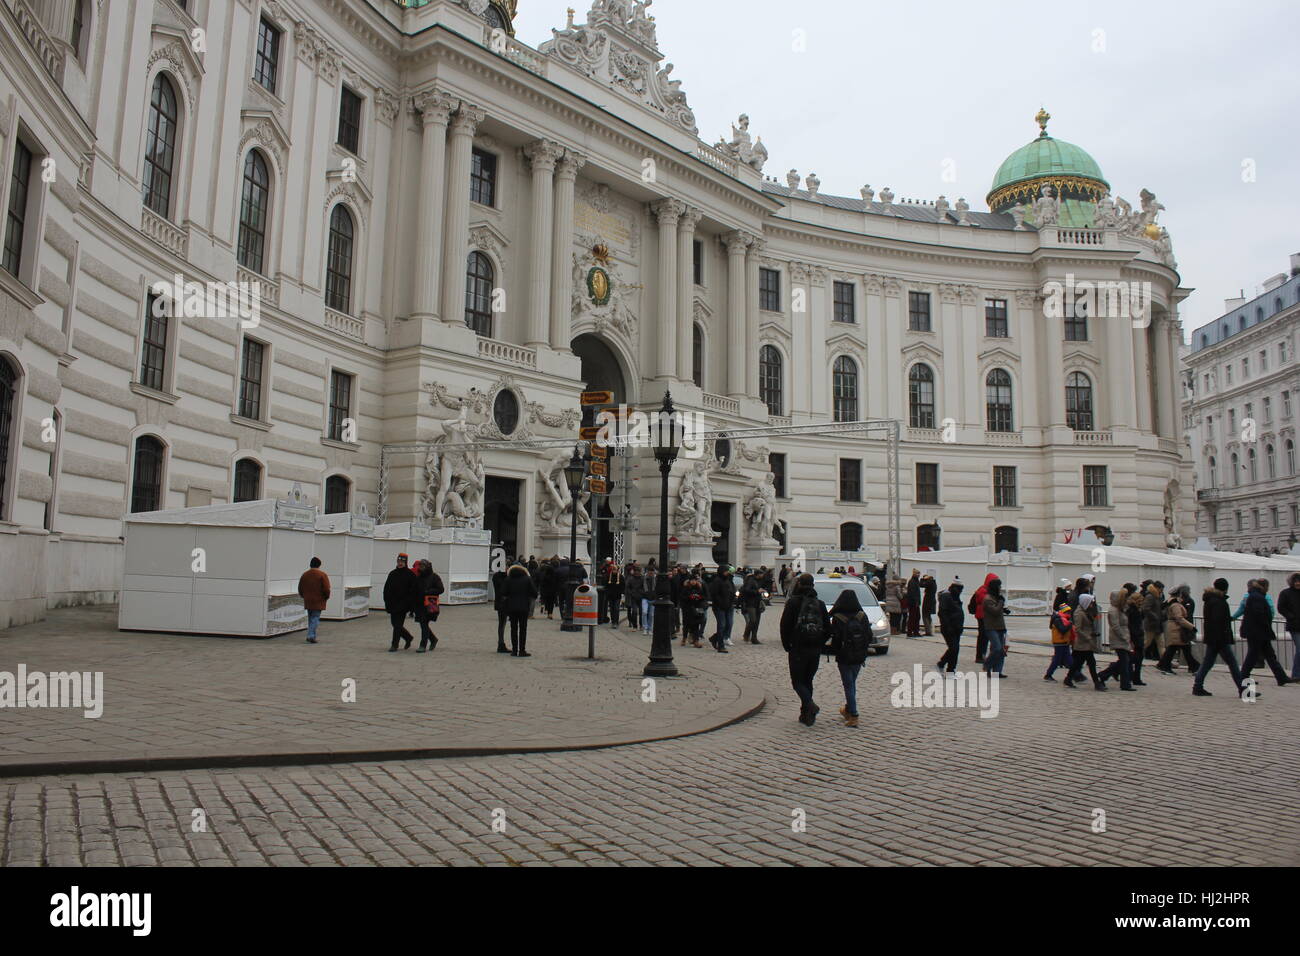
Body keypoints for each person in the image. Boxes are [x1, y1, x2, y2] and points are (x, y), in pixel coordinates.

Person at [780, 573, 830, 725]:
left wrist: (787, 644)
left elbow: (785, 625)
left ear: (799, 584)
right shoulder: (819, 603)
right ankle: (806, 715)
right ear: (813, 585)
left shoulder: (793, 602)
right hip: (815, 649)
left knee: (797, 682)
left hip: (798, 648)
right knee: (808, 680)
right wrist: (820, 642)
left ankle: (810, 705)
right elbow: (828, 628)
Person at [1193, 578, 1248, 698]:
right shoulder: (1219, 601)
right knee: (1232, 663)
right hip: (1220, 637)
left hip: (1213, 637)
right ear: (1225, 588)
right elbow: (1218, 620)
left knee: (1208, 663)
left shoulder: (1210, 599)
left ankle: (1197, 686)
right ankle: (1242, 689)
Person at [828, 589, 871, 727]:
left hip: (844, 656)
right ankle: (847, 709)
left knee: (849, 685)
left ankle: (853, 714)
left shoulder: (838, 617)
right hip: (859, 656)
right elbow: (868, 636)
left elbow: (836, 638)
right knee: (851, 683)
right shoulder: (862, 616)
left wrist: (834, 650)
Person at [1237, 579, 1292, 687]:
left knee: (1268, 655)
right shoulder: (1257, 597)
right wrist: (1267, 627)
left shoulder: (1254, 596)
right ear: (1265, 587)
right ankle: (1243, 677)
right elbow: (1260, 614)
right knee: (1254, 655)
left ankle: (1281, 677)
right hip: (1258, 632)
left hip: (1257, 631)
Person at [1097, 588, 1135, 690]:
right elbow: (1115, 626)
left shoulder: (1119, 609)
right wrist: (1123, 637)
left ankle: (1104, 675)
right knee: (1124, 661)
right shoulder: (1113, 610)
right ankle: (1124, 683)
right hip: (1119, 638)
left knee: (1125, 661)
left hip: (1123, 637)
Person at [1156, 584, 1199, 674]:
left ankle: (1193, 666)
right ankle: (1193, 666)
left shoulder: (1170, 602)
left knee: (1179, 648)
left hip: (1174, 627)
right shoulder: (1175, 604)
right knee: (1178, 648)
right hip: (1177, 628)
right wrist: (1191, 626)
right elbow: (1179, 618)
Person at [1064, 592, 1103, 689]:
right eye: (1090, 603)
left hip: (1086, 642)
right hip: (1083, 642)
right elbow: (1078, 629)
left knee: (1078, 663)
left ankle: (1068, 678)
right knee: (1091, 663)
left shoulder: (1085, 611)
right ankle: (1097, 683)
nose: (1091, 605)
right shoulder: (1079, 613)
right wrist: (1087, 637)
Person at [383, 553, 418, 652]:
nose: (400, 563)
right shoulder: (392, 574)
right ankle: (408, 637)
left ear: (406, 562)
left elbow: (413, 591)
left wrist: (410, 605)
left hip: (403, 605)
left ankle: (394, 645)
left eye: (402, 562)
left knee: (397, 625)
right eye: (399, 561)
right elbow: (387, 589)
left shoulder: (410, 575)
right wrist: (387, 601)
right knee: (394, 624)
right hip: (392, 604)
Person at [502, 563, 539, 657]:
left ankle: (514, 650)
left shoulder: (508, 579)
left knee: (513, 628)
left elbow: (503, 592)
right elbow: (534, 593)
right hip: (524, 607)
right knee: (523, 629)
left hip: (512, 607)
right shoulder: (527, 579)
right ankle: (522, 650)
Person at [412, 558, 445, 653]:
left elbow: (441, 589)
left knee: (424, 624)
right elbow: (414, 590)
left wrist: (428, 592)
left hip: (430, 603)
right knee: (423, 624)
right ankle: (433, 639)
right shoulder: (418, 577)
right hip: (419, 604)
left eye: (423, 566)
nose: (421, 568)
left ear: (427, 567)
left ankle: (423, 645)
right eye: (420, 566)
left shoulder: (434, 577)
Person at [297, 557, 331, 644]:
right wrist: (326, 597)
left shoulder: (304, 575)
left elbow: (300, 587)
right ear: (319, 565)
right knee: (315, 618)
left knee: (310, 618)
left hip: (308, 600)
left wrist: (304, 596)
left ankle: (312, 635)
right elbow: (326, 589)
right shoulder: (322, 575)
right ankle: (311, 636)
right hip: (318, 600)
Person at [936, 579, 965, 673]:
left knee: (955, 649)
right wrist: (947, 626)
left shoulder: (955, 596)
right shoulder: (946, 596)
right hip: (949, 627)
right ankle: (945, 665)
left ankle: (950, 668)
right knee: (954, 648)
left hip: (957, 627)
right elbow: (942, 612)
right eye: (959, 589)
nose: (960, 591)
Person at [982, 577, 1008, 678]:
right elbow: (995, 611)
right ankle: (987, 665)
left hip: (1000, 626)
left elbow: (998, 610)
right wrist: (1001, 603)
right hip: (991, 627)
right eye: (999, 586)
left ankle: (997, 672)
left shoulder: (995, 598)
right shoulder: (988, 599)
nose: (1000, 588)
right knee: (997, 648)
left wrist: (1004, 609)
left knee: (1000, 650)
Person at [970, 573, 997, 664]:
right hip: (983, 616)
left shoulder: (984, 589)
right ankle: (980, 656)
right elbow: (985, 600)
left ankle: (982, 655)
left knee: (984, 636)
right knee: (983, 636)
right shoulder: (984, 590)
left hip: (984, 615)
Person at [1043, 603, 1074, 682]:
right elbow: (1062, 630)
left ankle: (1077, 675)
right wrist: (1069, 625)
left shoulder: (1063, 619)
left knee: (1069, 660)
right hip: (1060, 642)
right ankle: (1048, 675)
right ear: (1063, 612)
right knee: (1057, 660)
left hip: (1064, 642)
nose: (1069, 614)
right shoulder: (1058, 619)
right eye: (1068, 612)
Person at [708, 564, 735, 651]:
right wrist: (721, 604)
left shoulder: (728, 580)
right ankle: (720, 645)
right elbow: (715, 595)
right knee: (722, 625)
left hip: (728, 606)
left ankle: (715, 638)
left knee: (728, 625)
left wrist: (732, 602)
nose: (727, 573)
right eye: (726, 571)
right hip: (719, 607)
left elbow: (732, 592)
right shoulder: (717, 581)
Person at [1124, 584, 1148, 686]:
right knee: (1135, 658)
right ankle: (1133, 677)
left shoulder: (1137, 610)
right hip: (1135, 636)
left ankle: (1135, 677)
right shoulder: (1132, 611)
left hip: (1138, 635)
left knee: (1137, 658)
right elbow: (1132, 625)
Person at [1280, 573, 1300, 681]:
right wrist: (1291, 616)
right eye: (1296, 581)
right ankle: (1296, 674)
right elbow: (1281, 607)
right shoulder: (1286, 593)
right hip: (1294, 626)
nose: (1297, 583)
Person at [680, 574, 707, 647]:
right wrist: (690, 597)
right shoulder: (686, 588)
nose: (693, 582)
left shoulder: (699, 588)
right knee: (686, 625)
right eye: (692, 580)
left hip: (696, 608)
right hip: (687, 609)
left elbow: (704, 597)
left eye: (694, 580)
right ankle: (684, 638)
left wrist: (699, 597)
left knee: (696, 625)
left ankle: (696, 640)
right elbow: (682, 598)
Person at [1141, 581, 1165, 660]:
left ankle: (1165, 660)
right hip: (1151, 624)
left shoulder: (1158, 596)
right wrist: (1155, 616)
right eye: (1161, 589)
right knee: (1146, 642)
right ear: (1157, 588)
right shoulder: (1150, 596)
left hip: (1157, 624)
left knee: (1161, 643)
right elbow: (1145, 608)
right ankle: (1135, 656)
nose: (1162, 590)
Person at [739, 573, 765, 644]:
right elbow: (746, 591)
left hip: (757, 603)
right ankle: (746, 635)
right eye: (761, 574)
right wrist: (757, 591)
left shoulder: (758, 581)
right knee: (753, 620)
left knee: (757, 622)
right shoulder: (751, 581)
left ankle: (754, 638)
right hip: (751, 603)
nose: (762, 575)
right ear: (758, 574)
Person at [491, 565, 510, 653]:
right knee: (502, 624)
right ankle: (501, 643)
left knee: (502, 624)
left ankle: (501, 643)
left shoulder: (496, 576)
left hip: (499, 602)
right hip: (504, 602)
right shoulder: (505, 578)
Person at [605, 561, 624, 628]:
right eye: (613, 569)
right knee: (612, 609)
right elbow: (606, 585)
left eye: (615, 569)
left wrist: (622, 593)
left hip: (617, 595)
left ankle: (616, 621)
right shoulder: (608, 576)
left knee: (616, 608)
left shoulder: (620, 577)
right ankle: (613, 621)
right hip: (610, 595)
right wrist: (607, 592)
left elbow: (623, 586)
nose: (614, 571)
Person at [625, 564, 644, 631]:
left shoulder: (642, 578)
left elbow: (644, 587)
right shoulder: (631, 578)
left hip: (641, 597)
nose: (637, 572)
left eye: (638, 571)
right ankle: (635, 626)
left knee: (642, 612)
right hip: (633, 597)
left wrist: (641, 592)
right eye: (636, 571)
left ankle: (641, 625)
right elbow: (627, 587)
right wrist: (631, 593)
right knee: (634, 612)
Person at [641, 565, 658, 636]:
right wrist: (643, 593)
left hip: (653, 598)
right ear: (647, 572)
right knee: (644, 612)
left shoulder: (656, 578)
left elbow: (658, 587)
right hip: (645, 597)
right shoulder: (644, 578)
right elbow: (640, 587)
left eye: (652, 573)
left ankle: (650, 629)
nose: (651, 574)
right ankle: (645, 628)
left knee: (651, 615)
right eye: (650, 573)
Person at [905, 569, 922, 637]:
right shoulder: (912, 581)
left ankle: (915, 631)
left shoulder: (916, 581)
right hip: (913, 603)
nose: (918, 575)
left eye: (919, 573)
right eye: (917, 573)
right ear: (914, 573)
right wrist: (916, 601)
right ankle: (910, 632)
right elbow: (912, 593)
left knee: (917, 617)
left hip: (915, 602)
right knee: (913, 617)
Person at [920, 572, 937, 636]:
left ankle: (928, 631)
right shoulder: (934, 583)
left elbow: (921, 585)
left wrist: (923, 579)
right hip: (932, 601)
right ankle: (930, 630)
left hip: (928, 602)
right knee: (928, 616)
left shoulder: (930, 583)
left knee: (925, 616)